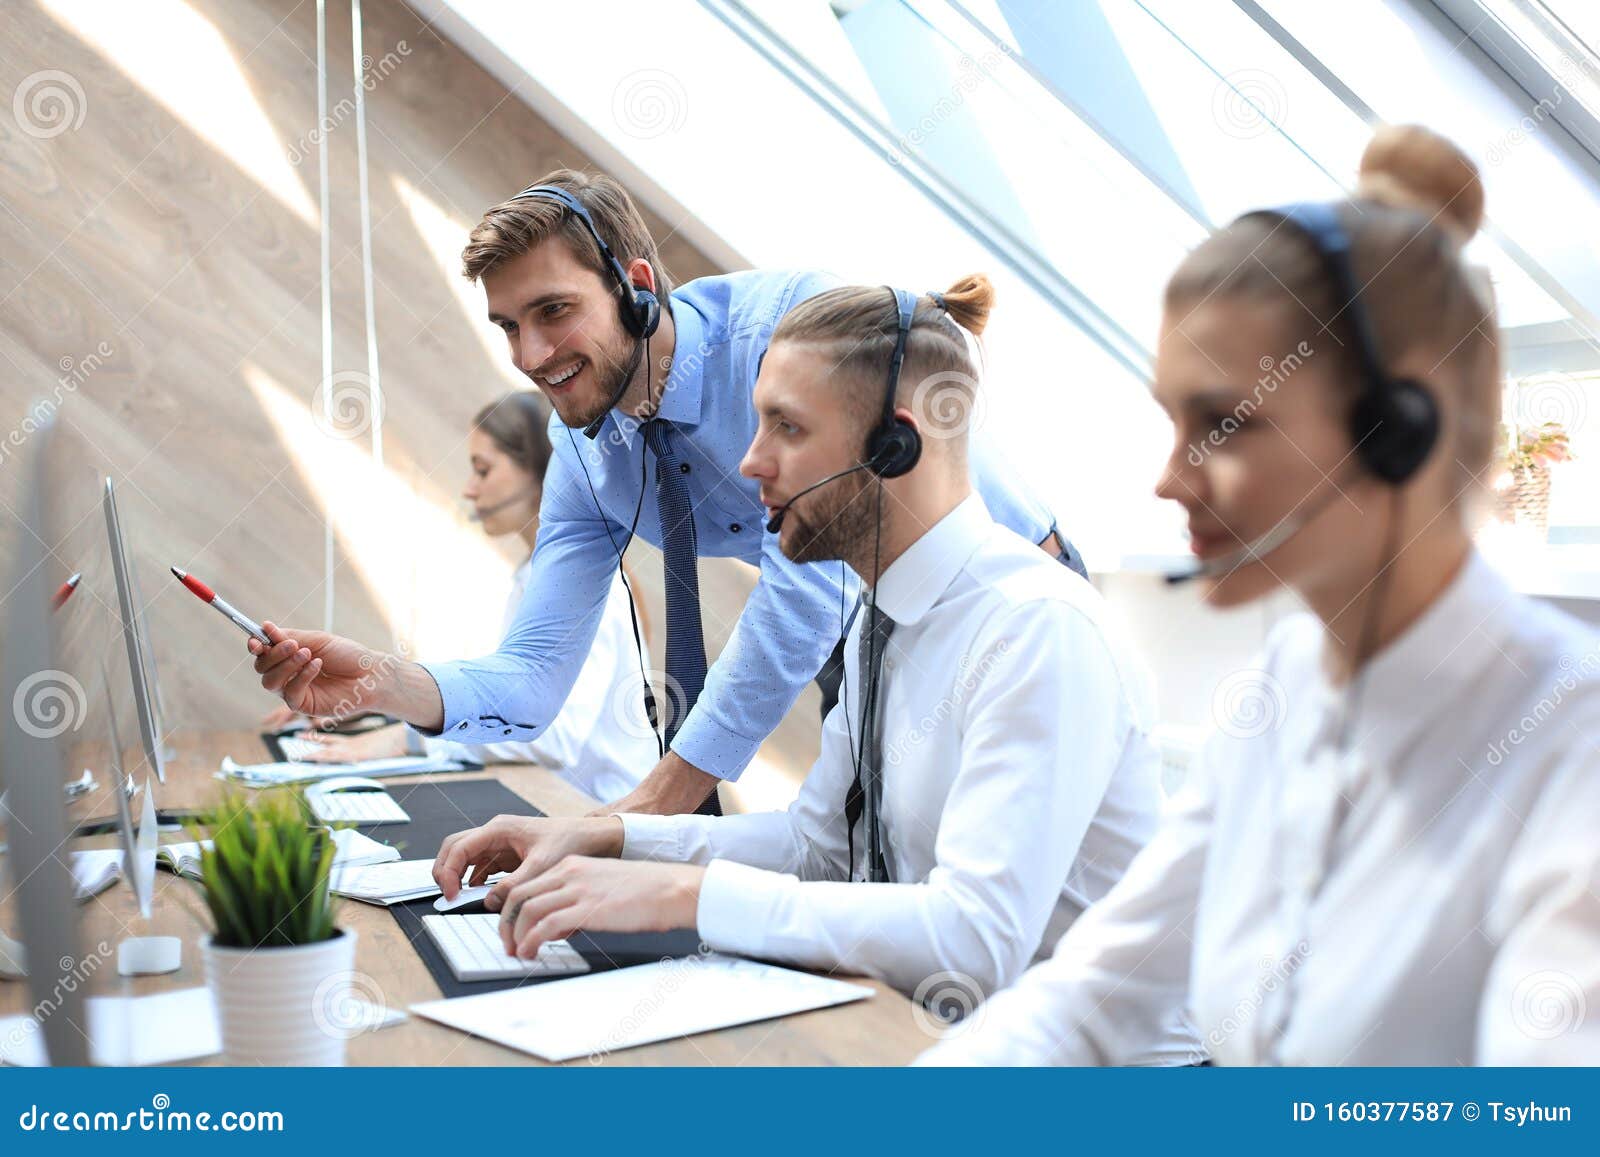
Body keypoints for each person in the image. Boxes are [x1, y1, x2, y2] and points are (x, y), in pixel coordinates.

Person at [919, 126, 1600, 1066]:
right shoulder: (1283, 691)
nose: (1168, 477)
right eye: (1173, 421)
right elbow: (1092, 998)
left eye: (1223, 424)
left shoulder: (1572, 750)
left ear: (1396, 431)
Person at [424, 278, 1195, 1067]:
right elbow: (817, 847)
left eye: (785, 427)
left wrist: (684, 893)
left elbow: (974, 940)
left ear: (895, 446)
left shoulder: (1037, 629)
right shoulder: (879, 617)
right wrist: (610, 838)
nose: (750, 462)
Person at [247, 169, 1083, 817]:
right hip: (869, 626)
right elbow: (534, 679)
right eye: (508, 325)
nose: (530, 355)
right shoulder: (582, 453)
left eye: (553, 311)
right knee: (871, 864)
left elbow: (799, 601)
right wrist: (382, 682)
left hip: (1008, 600)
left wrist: (656, 806)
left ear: (636, 286)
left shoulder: (786, 337)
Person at [291, 392, 653, 803]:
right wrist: (372, 700)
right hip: (561, 805)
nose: (469, 490)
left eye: (483, 470)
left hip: (600, 816)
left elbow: (555, 737)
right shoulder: (534, 575)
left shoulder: (588, 585)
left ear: (544, 471)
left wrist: (406, 739)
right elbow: (502, 691)